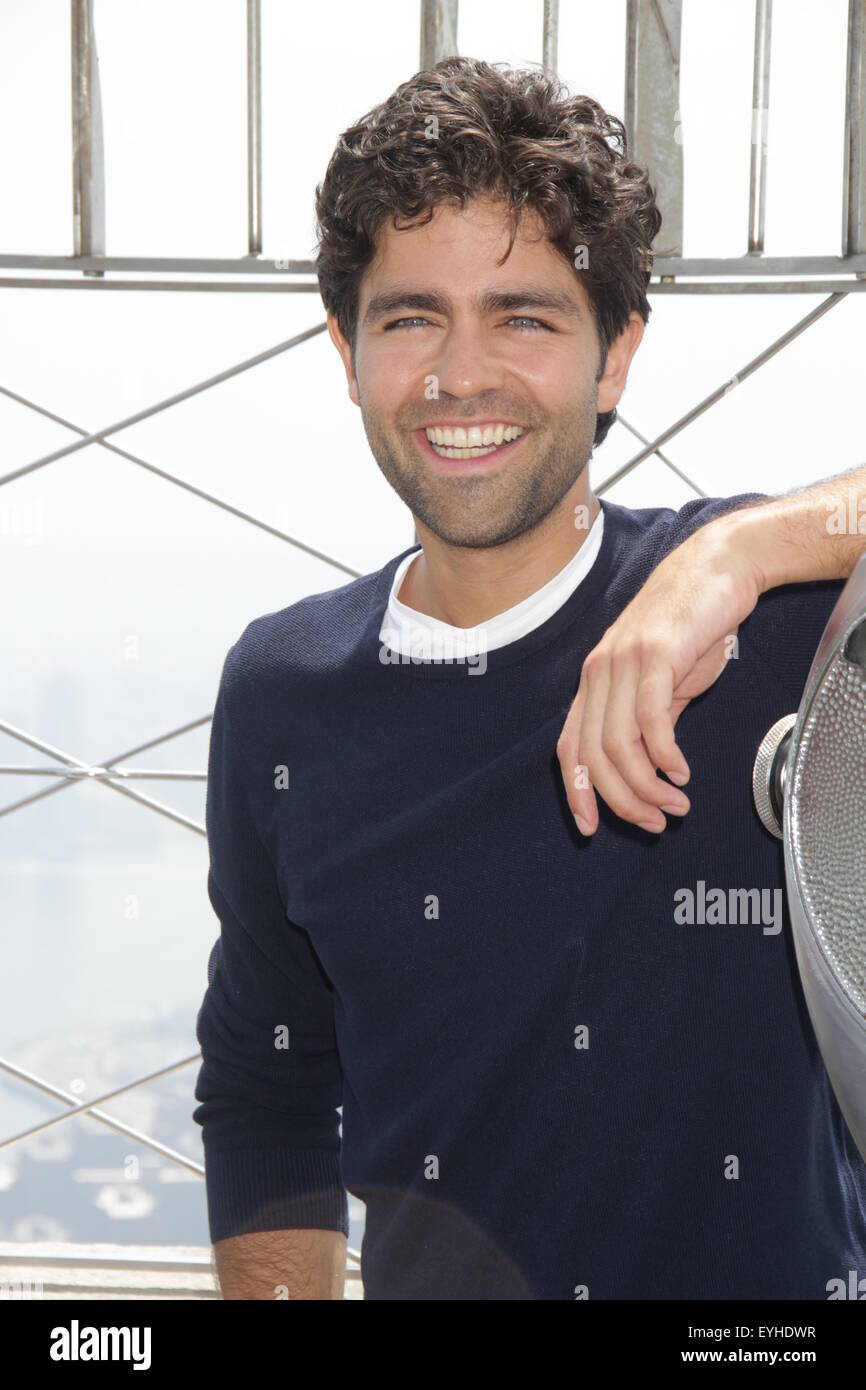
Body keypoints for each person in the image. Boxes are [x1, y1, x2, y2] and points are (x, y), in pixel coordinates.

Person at [192, 56, 866, 1299]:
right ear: (345, 348)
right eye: (410, 317)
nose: (461, 375)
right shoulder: (282, 689)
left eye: (524, 315)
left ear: (614, 358)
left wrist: (736, 552)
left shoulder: (768, 631)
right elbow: (268, 1083)